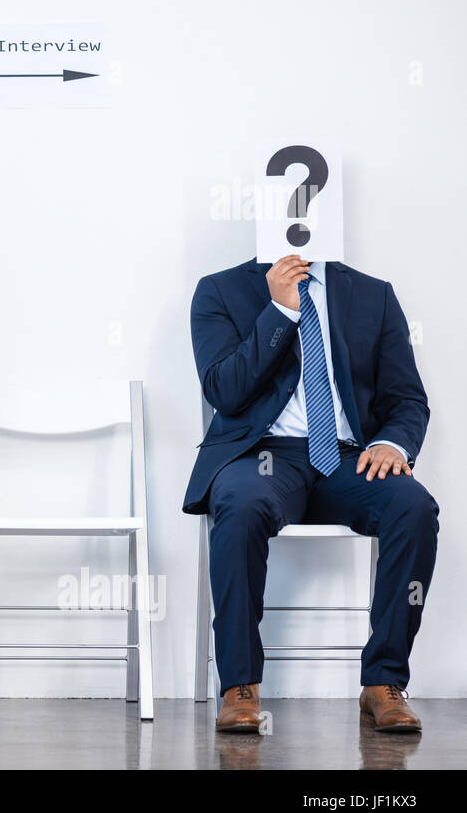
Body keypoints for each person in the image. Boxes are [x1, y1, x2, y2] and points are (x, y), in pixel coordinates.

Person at [185, 254, 437, 732]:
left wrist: (391, 442)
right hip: (262, 454)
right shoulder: (219, 290)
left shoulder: (372, 294)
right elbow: (225, 390)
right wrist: (280, 311)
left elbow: (407, 398)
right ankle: (240, 686)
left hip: (347, 457)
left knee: (414, 505)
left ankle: (383, 682)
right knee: (240, 505)